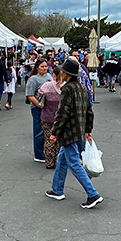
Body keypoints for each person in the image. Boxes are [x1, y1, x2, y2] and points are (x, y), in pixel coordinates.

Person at [45, 59, 103, 209]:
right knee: (62, 159)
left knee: (74, 164)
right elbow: (90, 112)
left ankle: (93, 194)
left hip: (69, 132)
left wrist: (54, 132)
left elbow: (62, 113)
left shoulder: (67, 89)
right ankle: (57, 190)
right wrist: (88, 130)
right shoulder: (83, 89)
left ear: (66, 74)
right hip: (79, 130)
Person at [25, 58, 52, 162]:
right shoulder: (33, 79)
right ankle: (39, 154)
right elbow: (30, 95)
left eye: (46, 66)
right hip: (38, 108)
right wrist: (38, 104)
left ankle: (47, 152)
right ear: (37, 68)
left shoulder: (49, 77)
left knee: (48, 131)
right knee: (39, 131)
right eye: (42, 66)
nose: (45, 68)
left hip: (49, 108)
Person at [38, 66, 62, 169]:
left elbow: (39, 97)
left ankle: (49, 162)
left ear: (53, 75)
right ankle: (58, 162)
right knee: (59, 140)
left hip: (47, 116)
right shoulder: (66, 87)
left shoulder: (46, 86)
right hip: (61, 118)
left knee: (48, 139)